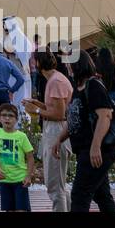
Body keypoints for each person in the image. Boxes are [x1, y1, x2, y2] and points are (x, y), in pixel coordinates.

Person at [58, 50, 115, 212]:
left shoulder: (93, 85)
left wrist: (95, 146)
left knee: (79, 195)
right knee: (102, 195)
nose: (67, 68)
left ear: (77, 65)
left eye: (69, 64)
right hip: (87, 148)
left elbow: (105, 116)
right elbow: (75, 121)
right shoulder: (79, 88)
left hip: (97, 149)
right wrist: (59, 140)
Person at [24, 50, 72, 211]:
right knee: (59, 184)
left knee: (54, 185)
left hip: (56, 131)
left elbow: (59, 114)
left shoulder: (55, 82)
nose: (31, 65)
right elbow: (55, 108)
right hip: (55, 129)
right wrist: (38, 104)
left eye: (33, 61)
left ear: (38, 63)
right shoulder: (56, 79)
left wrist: (36, 111)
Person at [0, 103, 34, 212]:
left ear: (16, 119)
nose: (7, 118)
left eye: (11, 116)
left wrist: (28, 176)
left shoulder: (22, 136)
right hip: (4, 180)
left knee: (21, 209)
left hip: (20, 180)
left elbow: (30, 157)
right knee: (9, 209)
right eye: (4, 115)